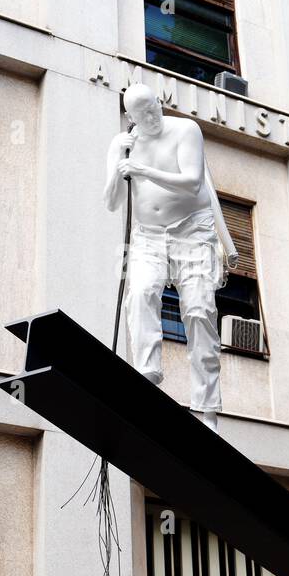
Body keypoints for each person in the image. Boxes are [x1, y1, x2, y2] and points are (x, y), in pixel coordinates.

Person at [104, 84, 238, 430]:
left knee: (198, 310)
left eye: (153, 108)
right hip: (148, 235)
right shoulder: (125, 144)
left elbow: (193, 182)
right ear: (129, 117)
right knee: (141, 294)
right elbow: (112, 202)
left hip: (192, 229)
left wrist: (144, 171)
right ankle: (147, 375)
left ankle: (207, 409)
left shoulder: (185, 130)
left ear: (159, 103)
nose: (151, 118)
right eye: (141, 114)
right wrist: (119, 161)